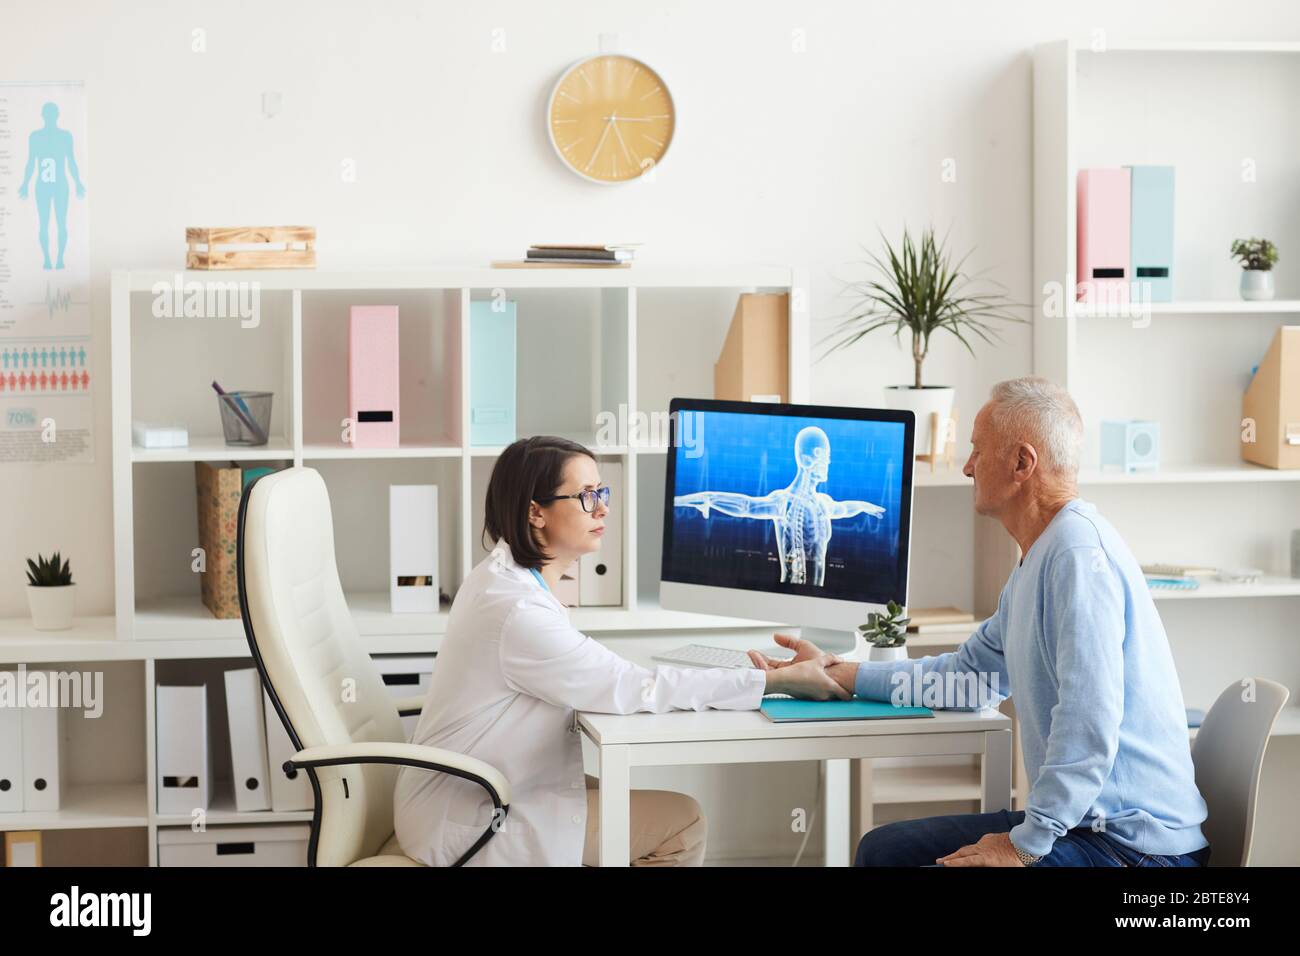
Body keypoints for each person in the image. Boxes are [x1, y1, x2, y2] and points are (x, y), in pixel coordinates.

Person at [750, 377, 1211, 867]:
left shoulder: (1078, 558)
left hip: (1129, 844)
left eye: (976, 450)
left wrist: (1023, 846)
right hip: (1078, 824)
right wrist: (839, 673)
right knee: (881, 850)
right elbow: (968, 680)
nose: (967, 466)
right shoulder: (1040, 556)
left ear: (1021, 464)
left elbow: (1087, 726)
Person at [394, 435, 847, 866]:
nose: (603, 507)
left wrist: (760, 679)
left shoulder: (507, 577)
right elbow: (634, 687)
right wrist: (774, 680)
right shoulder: (517, 610)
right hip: (469, 812)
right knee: (682, 823)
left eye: (602, 491)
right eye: (587, 496)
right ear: (536, 512)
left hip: (481, 785)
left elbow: (608, 678)